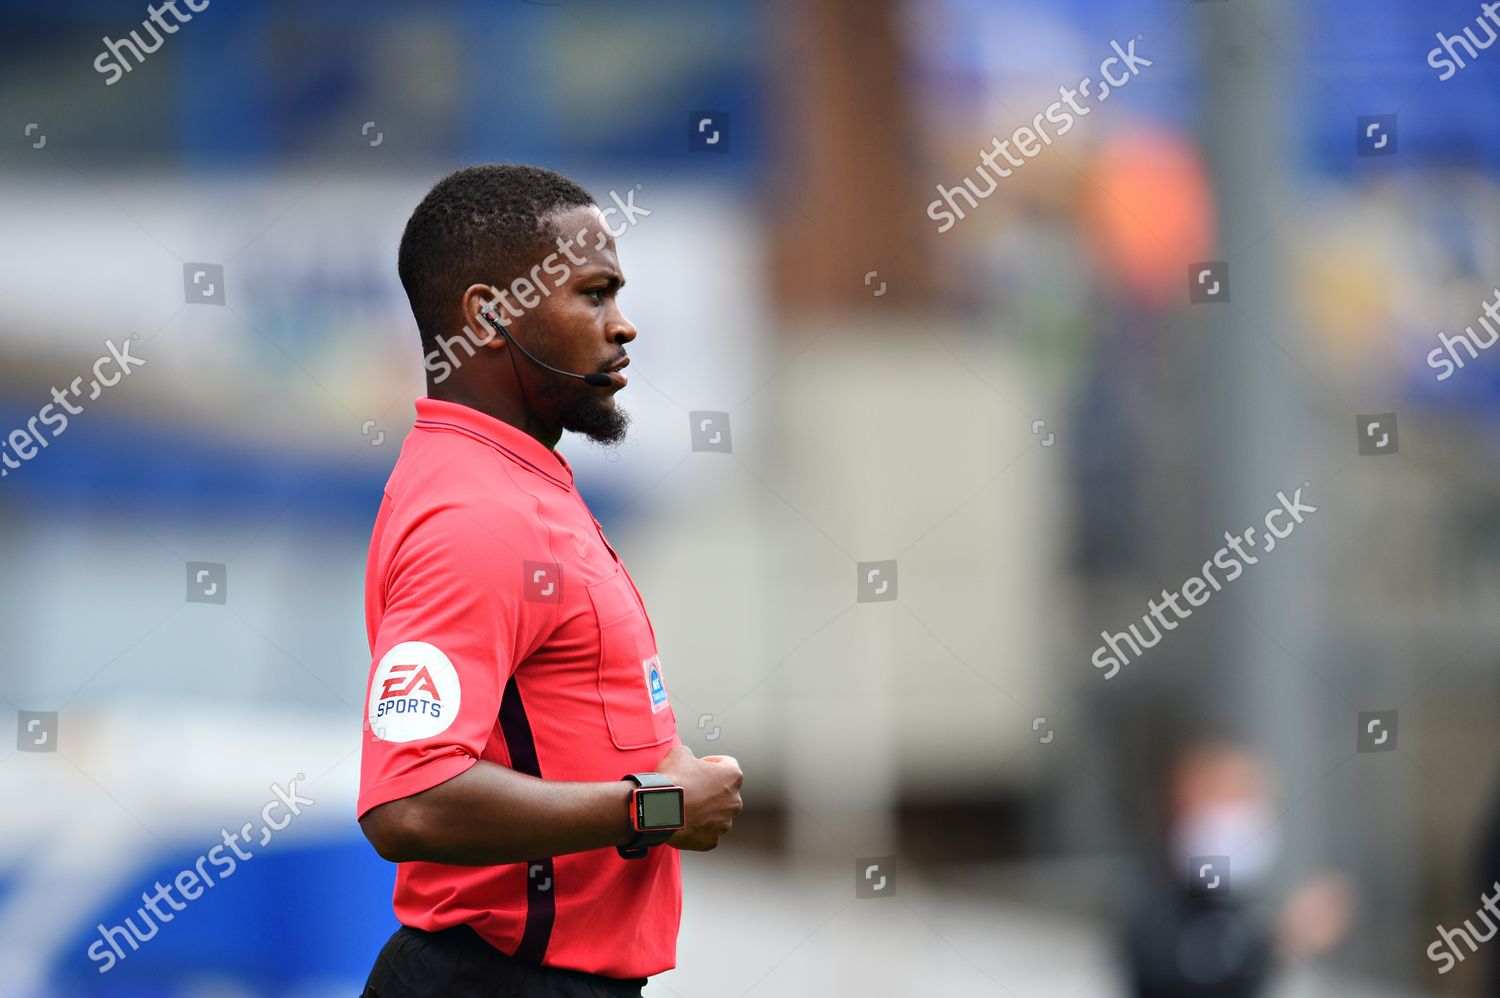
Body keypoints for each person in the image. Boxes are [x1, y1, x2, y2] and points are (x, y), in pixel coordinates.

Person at [357, 164, 744, 998]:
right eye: (594, 295)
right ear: (490, 315)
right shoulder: (474, 515)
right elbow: (410, 802)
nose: (623, 325)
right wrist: (658, 805)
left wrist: (661, 770)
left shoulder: (518, 481)